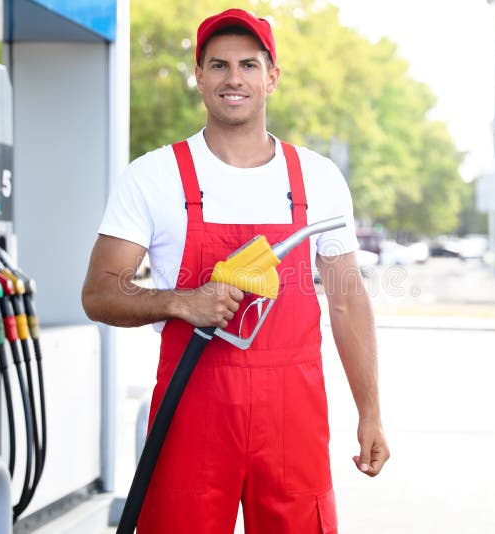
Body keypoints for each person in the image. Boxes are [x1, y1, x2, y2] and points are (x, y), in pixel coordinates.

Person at [82, 8, 389, 533]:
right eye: (218, 65)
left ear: (271, 76)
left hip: (293, 416)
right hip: (192, 408)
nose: (234, 78)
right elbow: (99, 293)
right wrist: (181, 301)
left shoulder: (319, 178)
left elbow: (346, 298)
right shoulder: (154, 177)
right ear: (198, 76)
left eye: (249, 65)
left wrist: (370, 410)